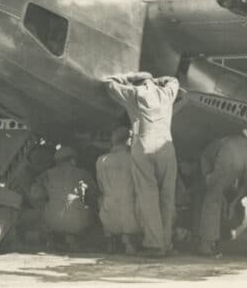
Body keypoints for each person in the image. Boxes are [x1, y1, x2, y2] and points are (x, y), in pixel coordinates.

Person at [105, 72, 181, 256]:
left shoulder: (134, 93)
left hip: (143, 146)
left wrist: (127, 78)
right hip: (166, 147)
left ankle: (155, 245)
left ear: (137, 83)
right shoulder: (166, 93)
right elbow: (174, 80)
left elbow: (110, 84)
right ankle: (167, 243)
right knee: (167, 197)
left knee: (148, 197)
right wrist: (157, 80)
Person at [198, 132, 247, 258]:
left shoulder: (205, 157)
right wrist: (233, 203)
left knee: (211, 199)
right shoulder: (221, 143)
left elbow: (213, 188)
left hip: (231, 152)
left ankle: (206, 244)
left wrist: (229, 204)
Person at [31, 146, 97, 251]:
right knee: (92, 209)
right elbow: (94, 195)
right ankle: (77, 239)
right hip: (78, 222)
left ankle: (52, 237)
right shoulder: (83, 173)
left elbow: (35, 195)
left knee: (45, 211)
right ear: (73, 159)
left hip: (52, 221)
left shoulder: (46, 174)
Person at [96, 126, 140, 254]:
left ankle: (109, 238)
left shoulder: (101, 160)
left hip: (109, 217)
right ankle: (129, 242)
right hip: (134, 218)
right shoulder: (135, 158)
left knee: (101, 199)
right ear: (129, 140)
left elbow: (101, 187)